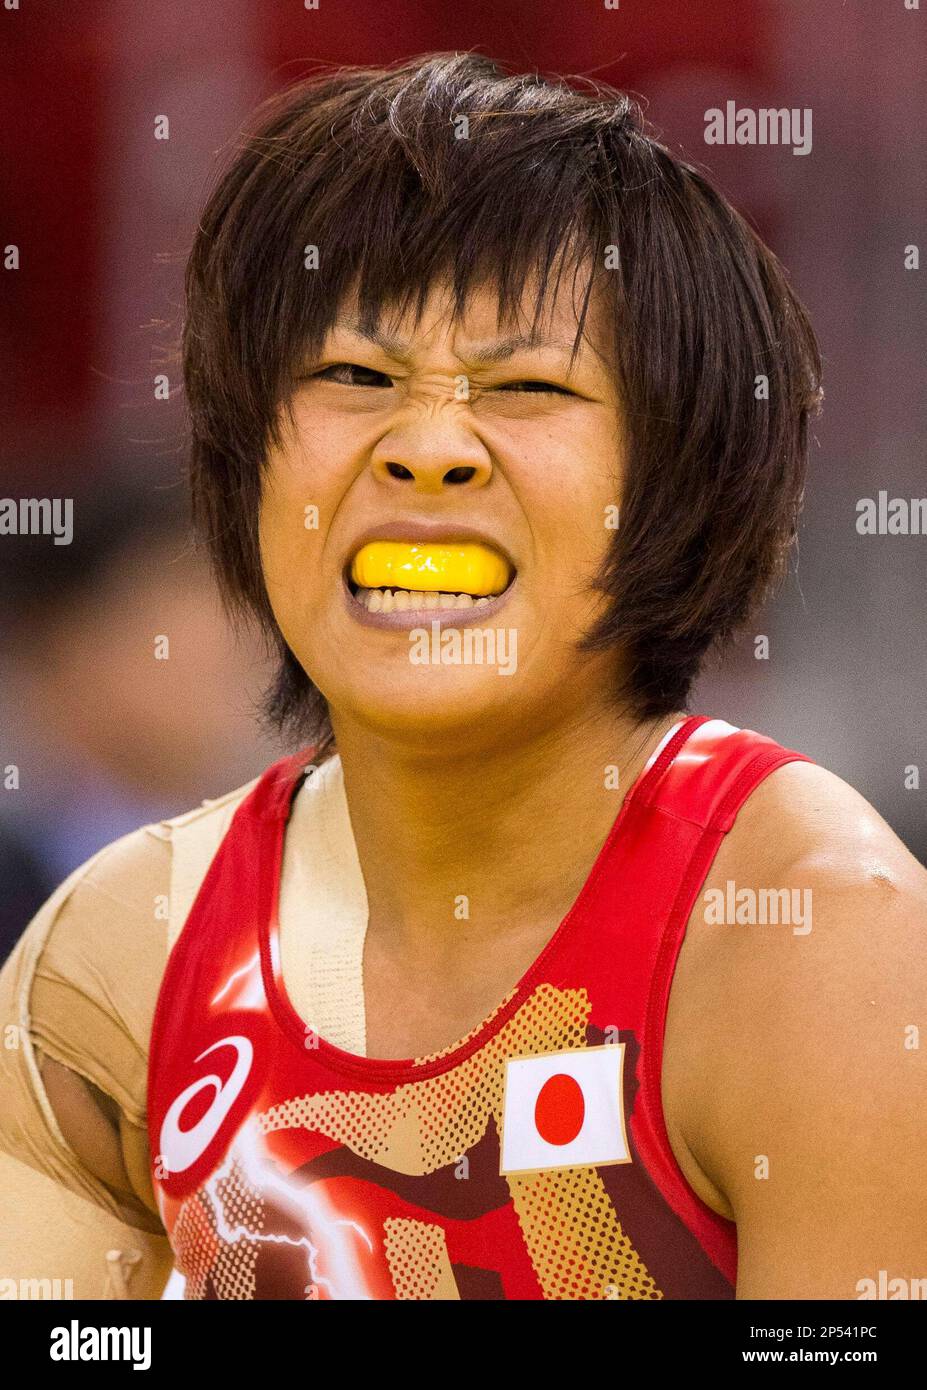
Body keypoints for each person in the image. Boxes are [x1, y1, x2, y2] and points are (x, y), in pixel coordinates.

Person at [1, 53, 925, 1302]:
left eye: (529, 387)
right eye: (357, 378)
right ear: (245, 467)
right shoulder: (112, 956)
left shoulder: (827, 941)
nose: (428, 448)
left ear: (681, 481)